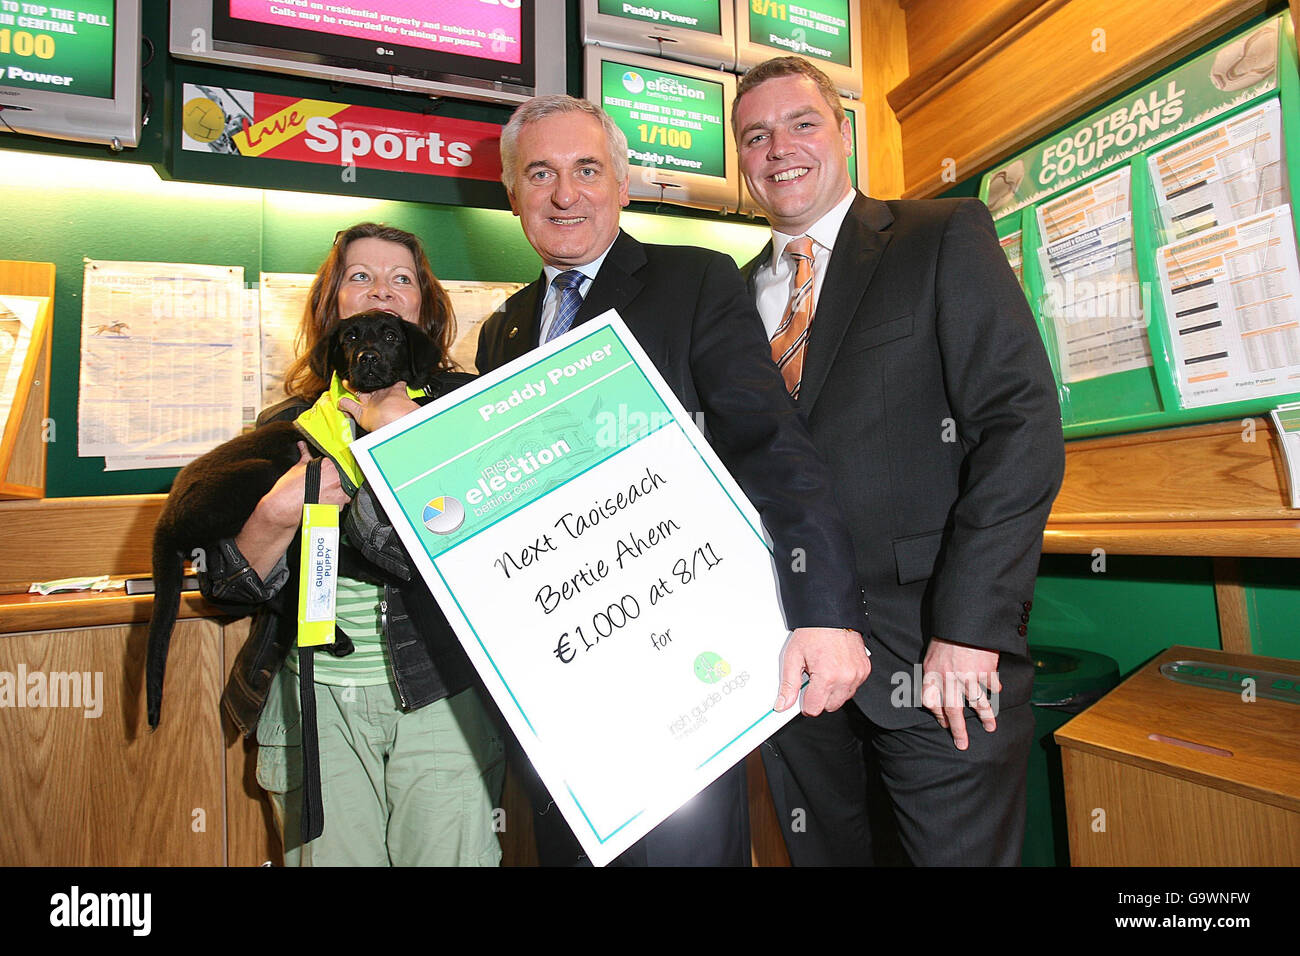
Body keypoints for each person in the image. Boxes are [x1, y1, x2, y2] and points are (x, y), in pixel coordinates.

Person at [474, 94, 870, 866]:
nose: (565, 193)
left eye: (588, 170)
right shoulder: (503, 329)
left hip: (680, 657)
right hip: (561, 677)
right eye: (541, 174)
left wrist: (824, 610)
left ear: (622, 185)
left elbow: (772, 447)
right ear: (512, 193)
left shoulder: (693, 282)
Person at [731, 56, 1065, 866]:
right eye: (756, 135)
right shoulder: (730, 300)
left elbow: (1019, 426)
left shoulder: (940, 235)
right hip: (792, 664)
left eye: (802, 123)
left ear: (843, 134)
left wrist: (970, 627)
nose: (781, 147)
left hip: (936, 655)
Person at [199, 222, 505, 866]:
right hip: (313, 696)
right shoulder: (287, 425)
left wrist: (390, 432)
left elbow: (458, 550)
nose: (381, 293)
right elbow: (226, 588)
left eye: (402, 280)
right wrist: (276, 513)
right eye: (360, 277)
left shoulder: (466, 407)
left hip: (440, 697)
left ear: (424, 305)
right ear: (333, 302)